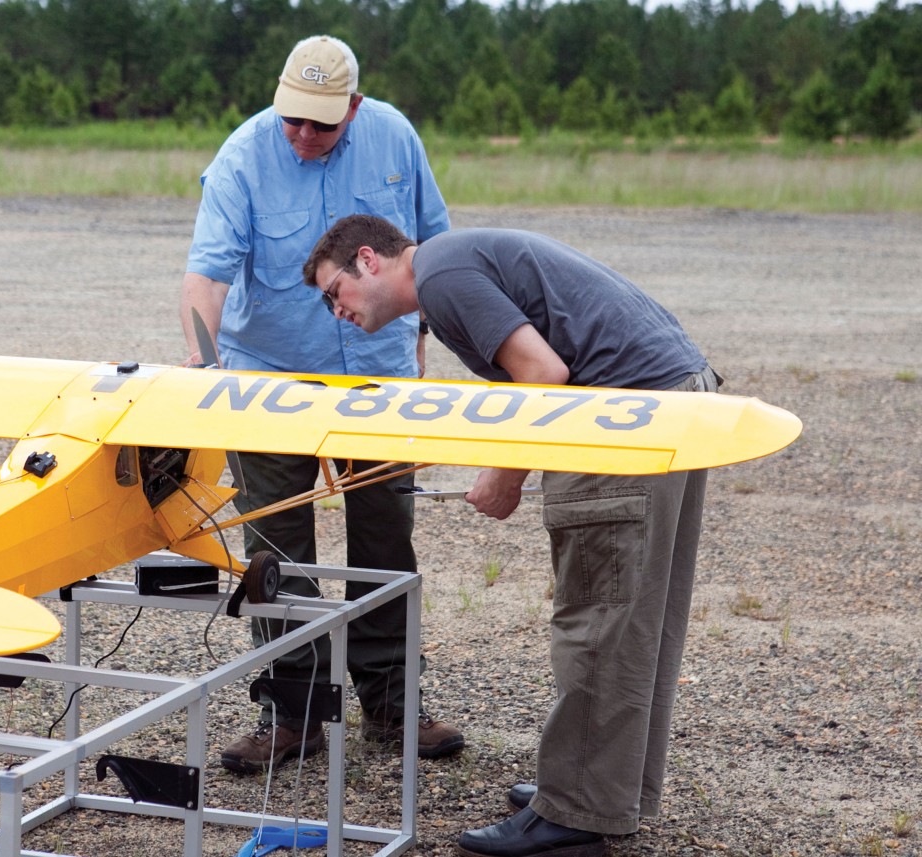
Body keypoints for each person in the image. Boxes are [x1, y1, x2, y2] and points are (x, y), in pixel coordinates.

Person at [303, 215, 720, 857]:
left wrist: (504, 478)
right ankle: (609, 792)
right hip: (675, 403)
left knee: (598, 620)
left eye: (336, 292)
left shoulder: (440, 274)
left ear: (370, 259)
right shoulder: (455, 263)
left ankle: (576, 817)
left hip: (621, 421)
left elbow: (544, 375)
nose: (338, 311)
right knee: (640, 623)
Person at [179, 35, 463, 774]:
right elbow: (205, 277)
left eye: (322, 123)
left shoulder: (396, 136)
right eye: (292, 119)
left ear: (355, 107)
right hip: (269, 380)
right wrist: (205, 368)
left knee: (385, 537)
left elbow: (435, 251)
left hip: (377, 378)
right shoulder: (243, 155)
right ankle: (293, 711)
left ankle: (393, 704)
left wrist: (424, 336)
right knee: (276, 550)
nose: (303, 135)